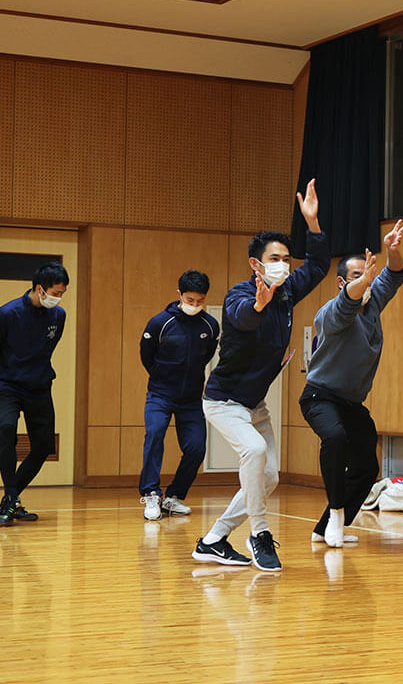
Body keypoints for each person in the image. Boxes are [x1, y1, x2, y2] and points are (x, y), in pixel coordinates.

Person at [190, 179, 329, 572]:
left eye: (286, 258)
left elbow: (318, 265)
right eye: (275, 258)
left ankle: (213, 539)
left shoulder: (287, 291)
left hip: (254, 403)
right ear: (256, 263)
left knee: (267, 477)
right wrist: (257, 303)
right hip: (222, 402)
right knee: (253, 452)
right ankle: (260, 533)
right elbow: (242, 319)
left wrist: (313, 224)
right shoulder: (239, 295)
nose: (283, 264)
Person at [301, 219, 403, 549]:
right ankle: (335, 515)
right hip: (320, 396)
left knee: (366, 467)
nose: (367, 282)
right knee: (334, 437)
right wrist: (361, 284)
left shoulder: (373, 302)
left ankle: (326, 528)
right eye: (357, 276)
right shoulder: (331, 313)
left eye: (369, 275)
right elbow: (349, 301)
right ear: (340, 282)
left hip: (352, 403)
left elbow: (395, 275)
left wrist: (392, 251)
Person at [0, 262, 69, 527]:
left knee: (43, 448)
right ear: (39, 289)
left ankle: (10, 500)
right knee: (7, 428)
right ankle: (10, 498)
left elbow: (48, 349)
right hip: (8, 385)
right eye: (55, 292)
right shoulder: (7, 313)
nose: (58, 298)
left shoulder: (59, 316)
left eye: (62, 293)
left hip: (40, 387)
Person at [137, 270, 220, 520]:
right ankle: (151, 494)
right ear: (179, 295)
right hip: (160, 394)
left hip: (192, 398)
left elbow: (207, 355)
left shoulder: (210, 325)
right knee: (154, 434)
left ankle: (173, 497)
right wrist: (163, 377)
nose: (194, 305)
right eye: (190, 300)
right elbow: (146, 356)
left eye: (200, 300)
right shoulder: (160, 323)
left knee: (196, 448)